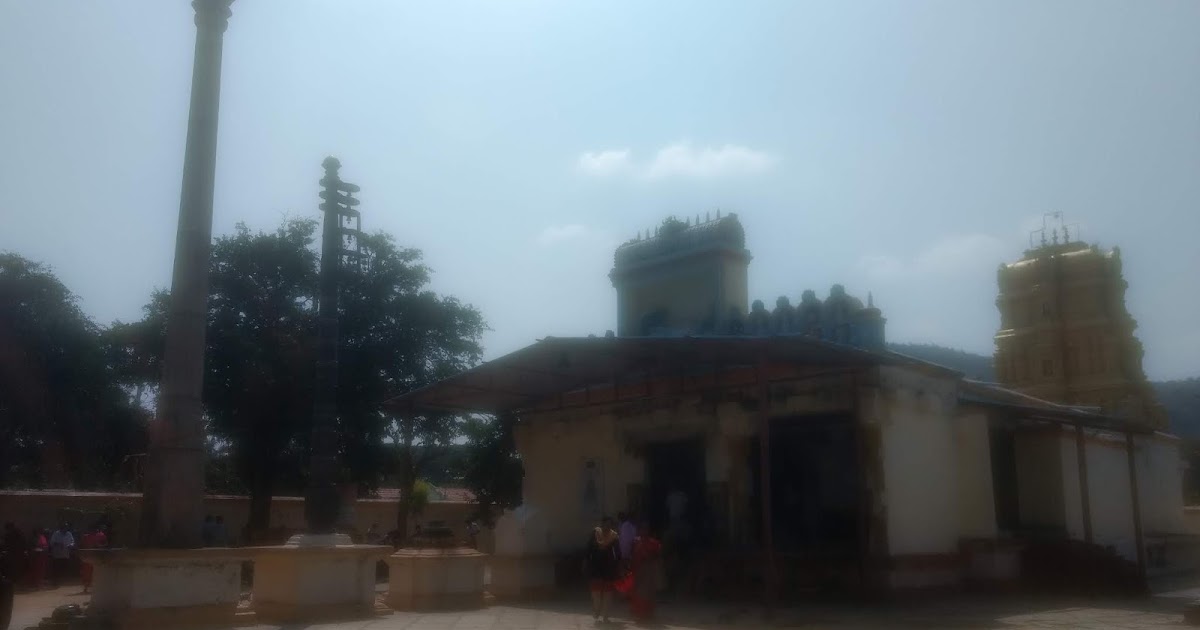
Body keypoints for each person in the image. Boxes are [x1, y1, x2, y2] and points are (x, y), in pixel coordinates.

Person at [583, 516, 622, 623]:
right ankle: (596, 611)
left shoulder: (614, 536)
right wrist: (586, 562)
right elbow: (588, 549)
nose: (607, 526)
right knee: (596, 593)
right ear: (602, 524)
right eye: (606, 524)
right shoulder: (595, 533)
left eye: (610, 524)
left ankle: (605, 616)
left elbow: (618, 553)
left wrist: (619, 565)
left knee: (608, 594)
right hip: (595, 567)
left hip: (609, 568)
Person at [629, 523, 663, 624]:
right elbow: (632, 554)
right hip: (637, 569)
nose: (644, 531)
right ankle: (639, 612)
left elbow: (657, 555)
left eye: (646, 529)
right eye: (642, 529)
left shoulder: (654, 543)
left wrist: (649, 557)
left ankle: (648, 612)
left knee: (648, 592)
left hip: (649, 570)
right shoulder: (635, 542)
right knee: (637, 592)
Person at [79, 524, 107, 594]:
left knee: (95, 573)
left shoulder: (101, 535)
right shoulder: (87, 537)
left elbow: (105, 544)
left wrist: (99, 546)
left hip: (96, 557)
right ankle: (86, 588)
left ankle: (95, 588)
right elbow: (82, 546)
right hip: (90, 557)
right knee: (88, 573)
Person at [49, 523, 74, 588]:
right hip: (57, 555)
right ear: (61, 527)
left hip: (66, 554)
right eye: (64, 527)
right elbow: (52, 543)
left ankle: (62, 582)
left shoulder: (69, 534)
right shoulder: (56, 533)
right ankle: (55, 582)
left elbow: (72, 541)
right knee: (56, 569)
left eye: (67, 527)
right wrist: (59, 544)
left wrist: (71, 545)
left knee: (64, 568)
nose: (66, 528)